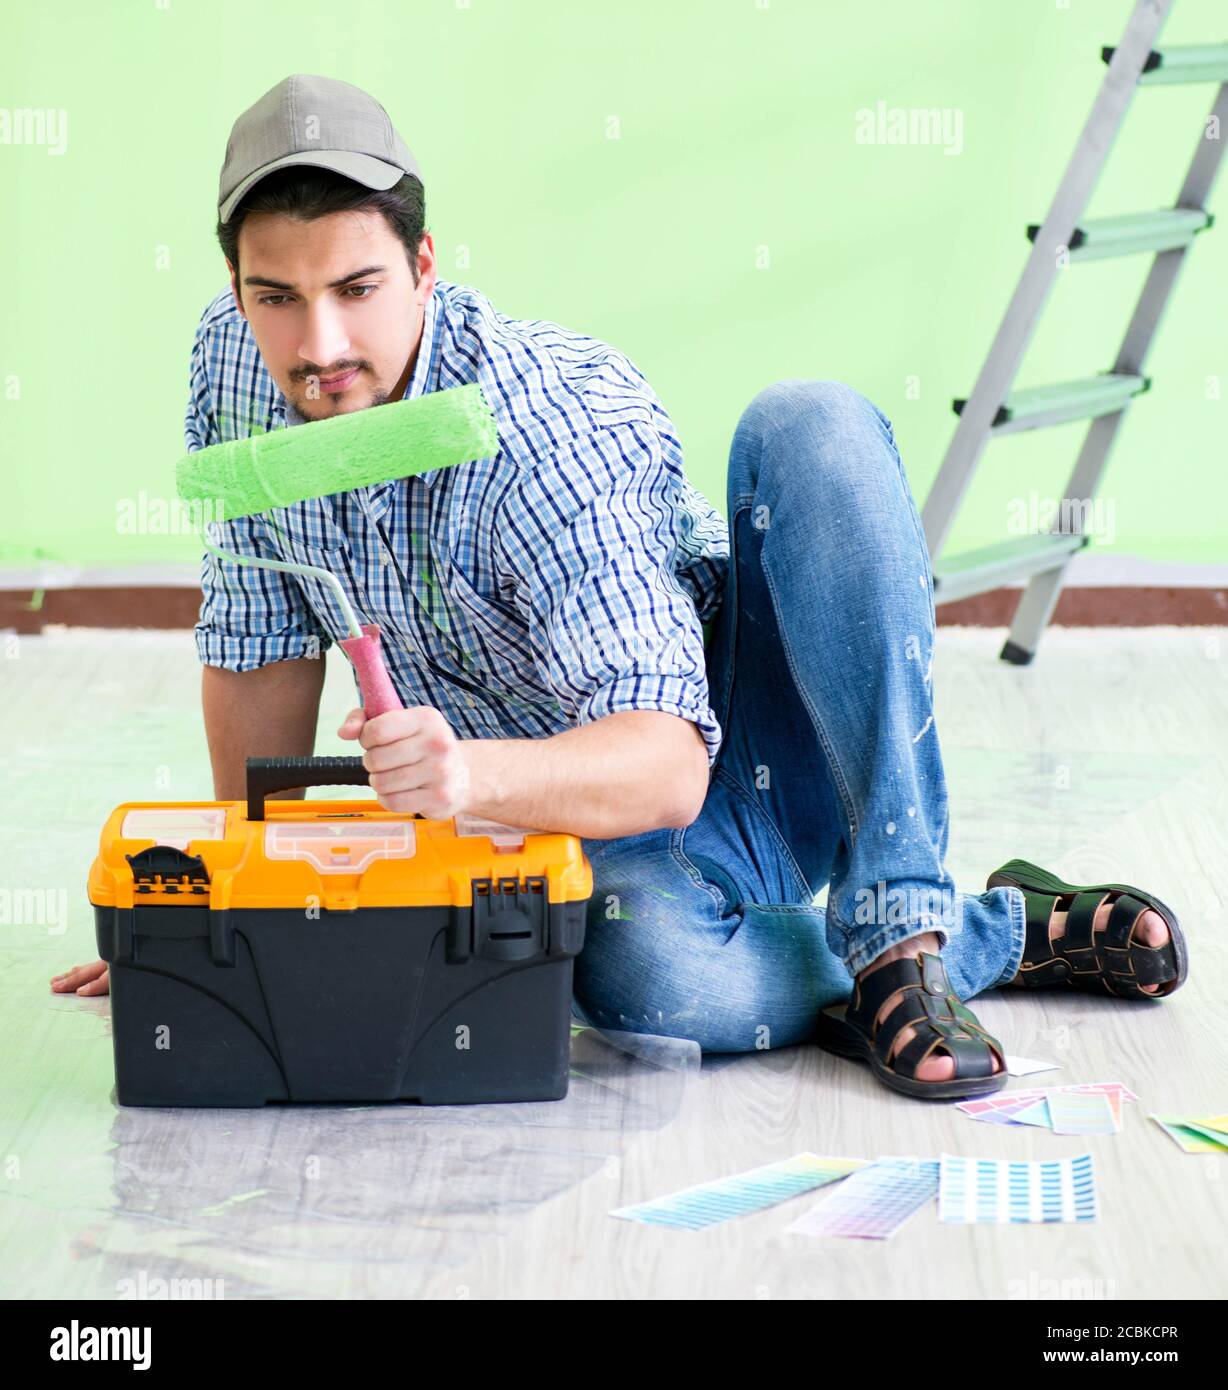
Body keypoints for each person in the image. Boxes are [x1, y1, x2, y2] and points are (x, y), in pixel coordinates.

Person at [52, 75, 1187, 1099]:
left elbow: (669, 761)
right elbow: (260, 638)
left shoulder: (543, 429)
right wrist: (212, 909)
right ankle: (1007, 931)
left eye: (357, 287)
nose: (320, 341)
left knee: (813, 422)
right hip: (573, 824)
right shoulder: (235, 363)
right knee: (640, 980)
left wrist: (464, 772)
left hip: (743, 742)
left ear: (425, 263)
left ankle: (905, 935)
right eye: (276, 298)